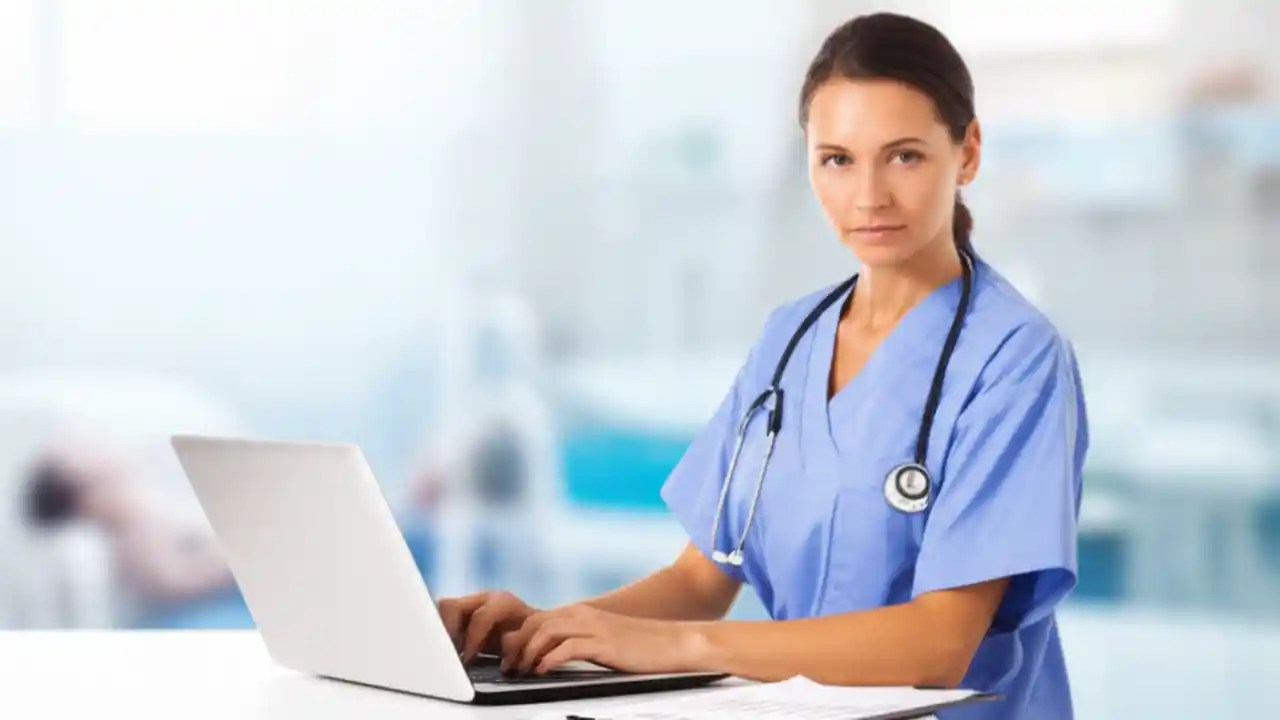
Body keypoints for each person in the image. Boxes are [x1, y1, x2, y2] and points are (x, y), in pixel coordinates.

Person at [437, 13, 1088, 720]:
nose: (868, 195)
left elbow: (937, 645)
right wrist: (540, 630)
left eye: (903, 156)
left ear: (966, 153)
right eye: (837, 159)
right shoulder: (792, 338)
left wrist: (686, 648)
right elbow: (699, 580)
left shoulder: (1015, 359)